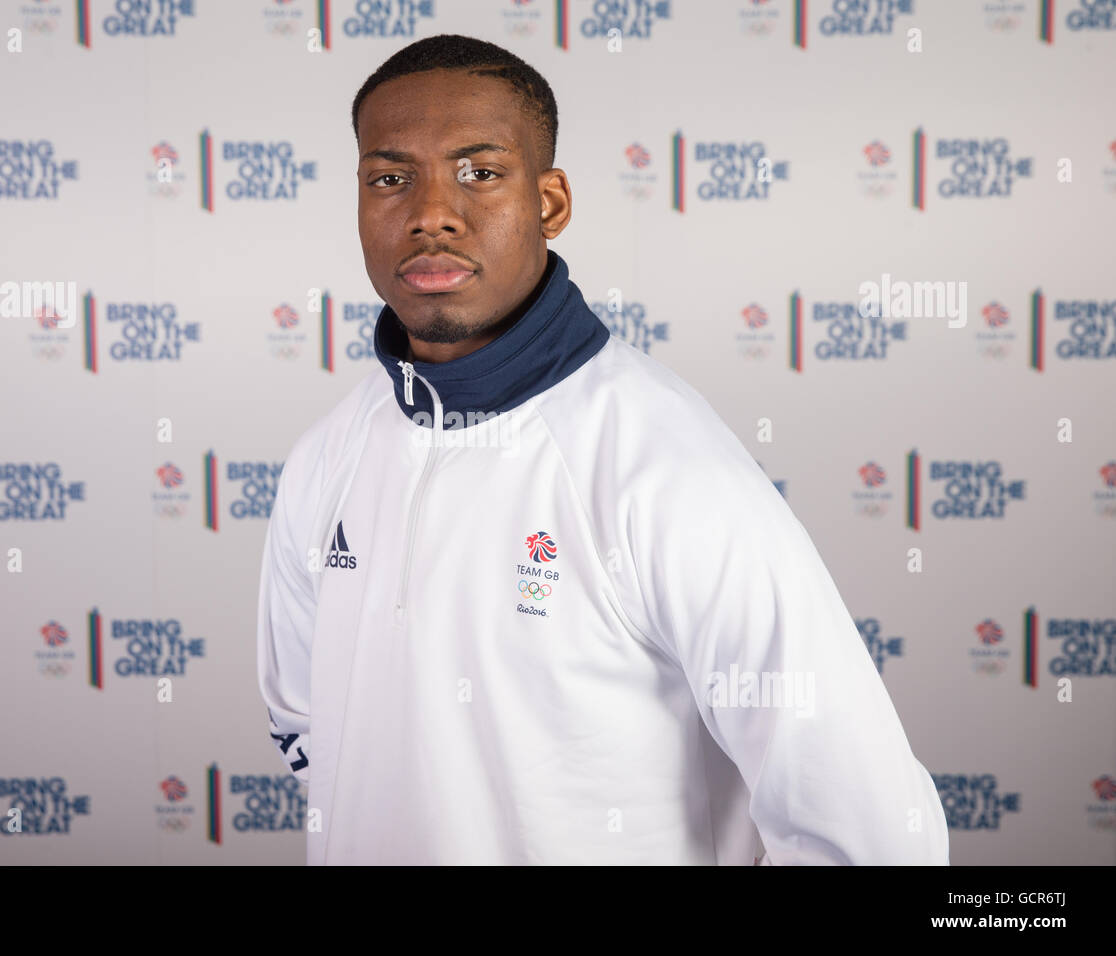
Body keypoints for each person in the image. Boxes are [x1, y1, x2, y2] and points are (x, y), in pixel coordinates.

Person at [256, 33, 949, 865]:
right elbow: (309, 729)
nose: (430, 213)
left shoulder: (667, 468)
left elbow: (867, 832)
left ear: (550, 203)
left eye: (479, 171)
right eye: (389, 178)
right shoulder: (325, 458)